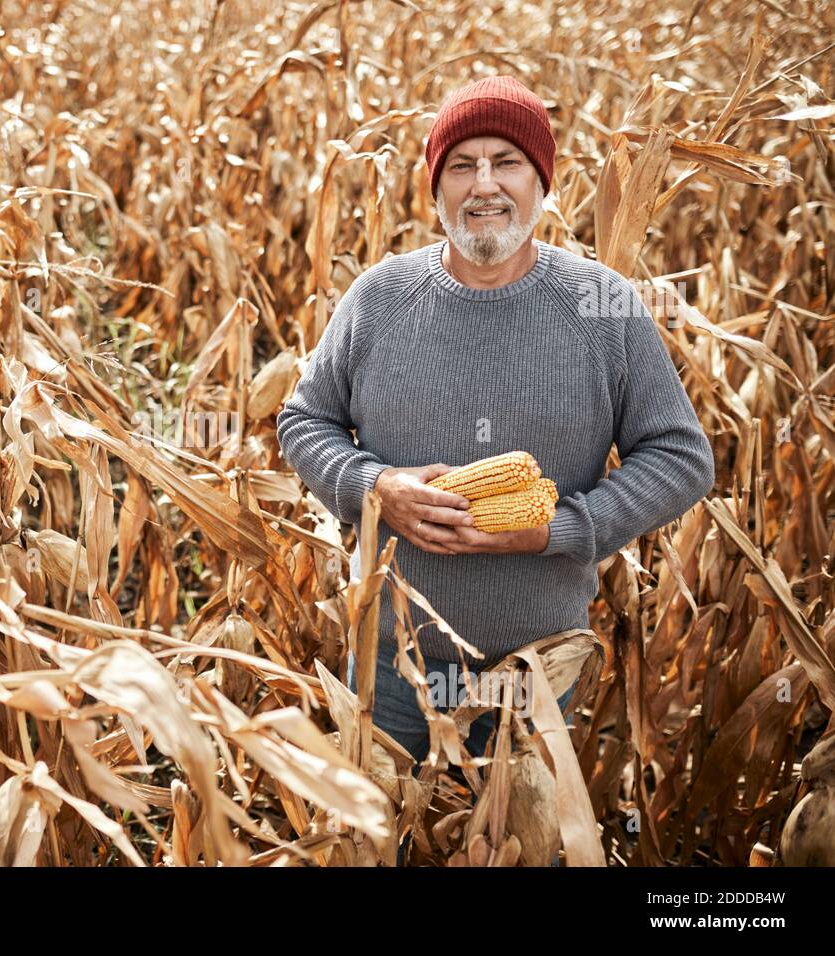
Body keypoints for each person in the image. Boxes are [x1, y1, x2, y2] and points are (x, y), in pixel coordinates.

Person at [275, 75, 715, 838]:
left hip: (538, 667)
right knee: (371, 844)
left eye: (506, 161)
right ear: (435, 186)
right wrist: (374, 485)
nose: (484, 186)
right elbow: (304, 420)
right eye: (461, 165)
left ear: (542, 181)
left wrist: (558, 529)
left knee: (524, 849)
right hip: (394, 662)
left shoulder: (602, 306)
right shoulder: (380, 298)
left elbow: (680, 456)